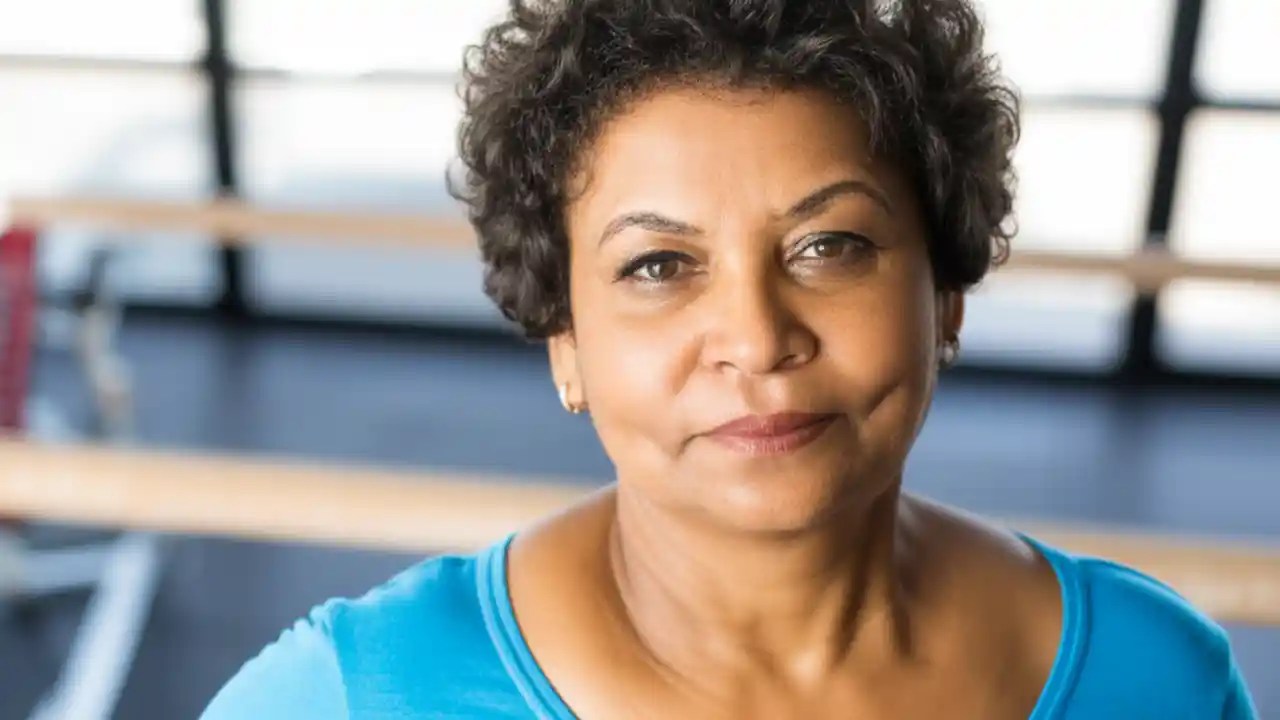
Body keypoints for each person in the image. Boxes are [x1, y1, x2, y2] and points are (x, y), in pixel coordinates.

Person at [202, 1, 1258, 717]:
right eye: (659, 265)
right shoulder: (356, 695)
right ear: (565, 341)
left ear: (944, 294)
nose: (756, 339)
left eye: (828, 247)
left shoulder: (1156, 676)